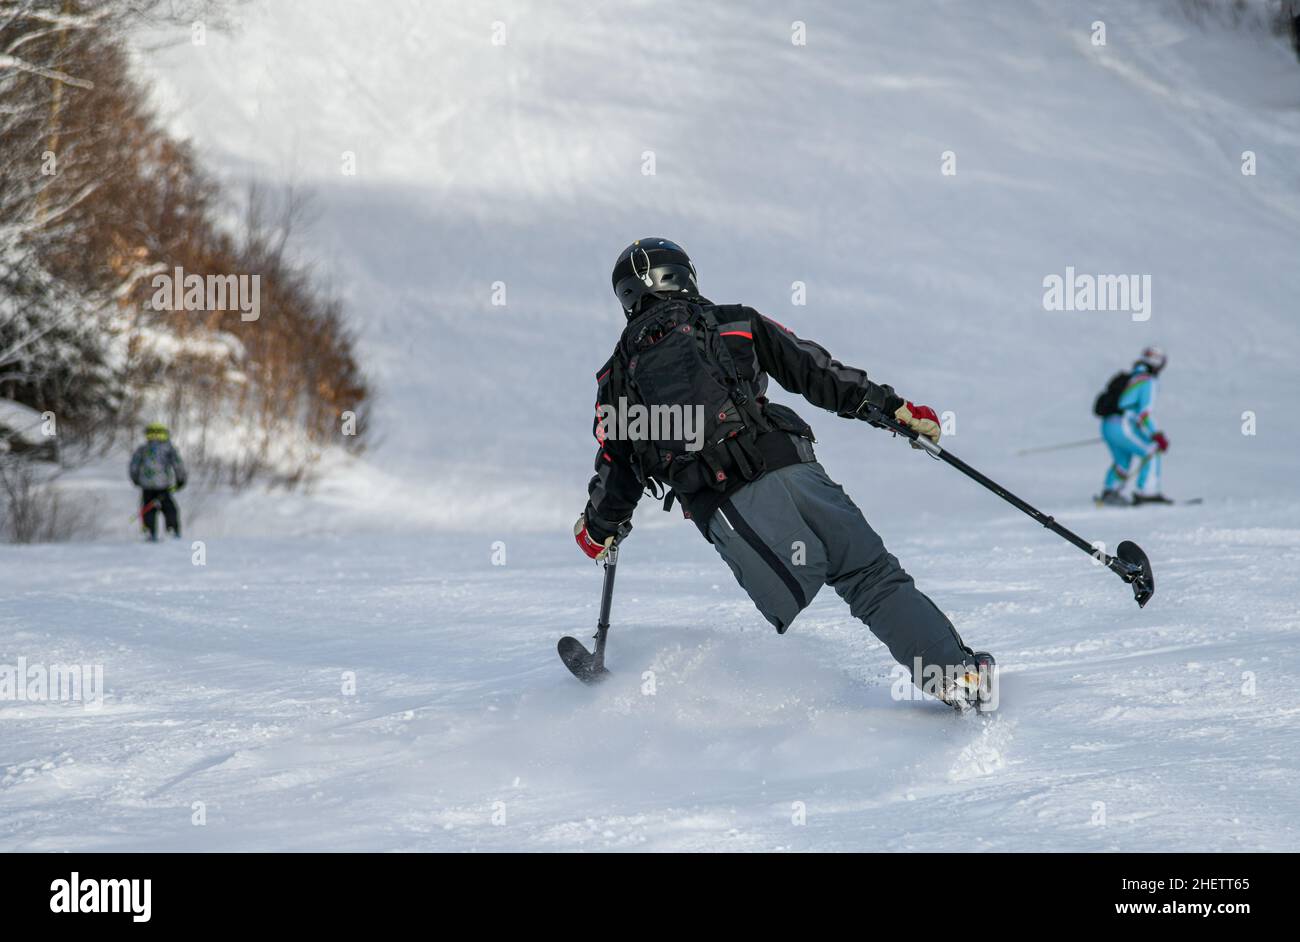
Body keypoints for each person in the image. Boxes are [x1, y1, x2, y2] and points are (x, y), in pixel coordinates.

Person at [573, 238, 993, 710]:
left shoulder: (615, 379)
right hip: (793, 469)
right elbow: (817, 370)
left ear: (626, 297)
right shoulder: (735, 322)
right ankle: (958, 677)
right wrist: (894, 409)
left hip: (733, 508)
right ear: (686, 276)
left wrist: (598, 528)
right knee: (870, 576)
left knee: (830, 576)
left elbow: (617, 464)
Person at [1096, 347, 1170, 507]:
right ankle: (1148, 493)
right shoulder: (1148, 381)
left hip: (1108, 424)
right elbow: (1144, 414)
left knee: (1122, 458)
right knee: (1151, 449)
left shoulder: (1132, 377)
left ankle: (1111, 491)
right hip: (1122, 425)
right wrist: (1156, 435)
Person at [129, 422, 187, 541]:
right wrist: (180, 480)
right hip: (163, 485)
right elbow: (178, 464)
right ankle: (172, 530)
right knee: (169, 508)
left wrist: (135, 479)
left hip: (147, 485)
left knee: (148, 508)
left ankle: (149, 531)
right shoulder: (169, 449)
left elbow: (133, 466)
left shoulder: (143, 449)